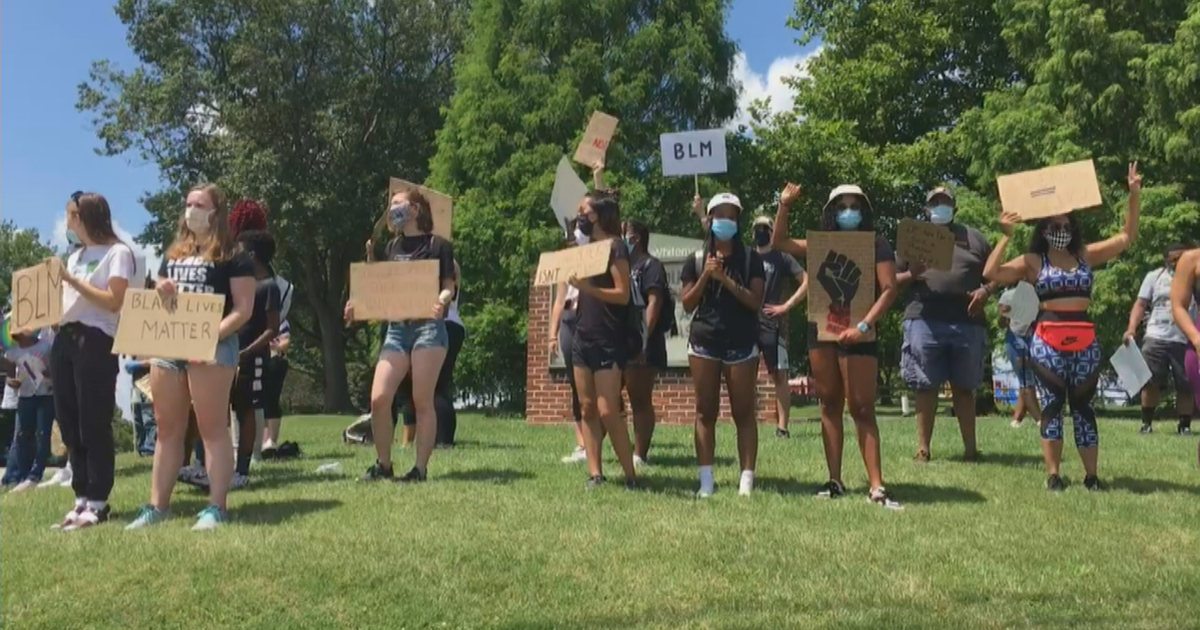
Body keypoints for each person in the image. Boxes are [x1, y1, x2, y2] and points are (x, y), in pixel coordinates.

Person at [984, 162, 1141, 491]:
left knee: (1084, 408)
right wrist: (1005, 236)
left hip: (1085, 343)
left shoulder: (1084, 255)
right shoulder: (1033, 261)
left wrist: (1133, 195)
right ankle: (1054, 474)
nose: (1062, 230)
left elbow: (1126, 237)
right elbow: (991, 273)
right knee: (1052, 406)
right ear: (1043, 229)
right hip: (1047, 342)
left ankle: (1091, 476)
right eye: (1055, 225)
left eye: (1067, 224)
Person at [126, 183, 256, 531]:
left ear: (216, 212)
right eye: (188, 204)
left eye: (200, 204)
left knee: (212, 428)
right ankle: (158, 506)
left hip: (214, 348)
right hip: (171, 347)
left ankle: (217, 506)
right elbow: (160, 296)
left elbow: (243, 309)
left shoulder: (234, 255)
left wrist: (211, 336)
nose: (191, 210)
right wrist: (162, 289)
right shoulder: (174, 254)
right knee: (167, 429)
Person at [772, 183, 902, 509]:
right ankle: (835, 481)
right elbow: (780, 242)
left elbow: (889, 289)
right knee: (829, 404)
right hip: (823, 332)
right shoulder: (821, 243)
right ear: (831, 212)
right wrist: (784, 206)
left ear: (864, 211)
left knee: (861, 407)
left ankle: (876, 486)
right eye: (842, 207)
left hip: (860, 334)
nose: (848, 212)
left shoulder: (877, 244)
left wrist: (863, 326)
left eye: (854, 206)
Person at [349, 188, 456, 483]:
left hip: (428, 328)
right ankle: (383, 465)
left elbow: (449, 285)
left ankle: (419, 469)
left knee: (422, 400)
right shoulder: (392, 247)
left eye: (397, 203)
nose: (392, 209)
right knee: (379, 399)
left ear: (415, 209)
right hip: (397, 329)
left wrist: (441, 301)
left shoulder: (438, 245)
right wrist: (358, 305)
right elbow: (382, 287)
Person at [50, 191, 136, 530]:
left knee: (93, 421)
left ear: (85, 216)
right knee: (69, 421)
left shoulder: (117, 253)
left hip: (96, 339)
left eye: (71, 214)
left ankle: (99, 499)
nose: (67, 222)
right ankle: (81, 496)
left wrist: (72, 280)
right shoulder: (76, 256)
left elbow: (114, 301)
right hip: (66, 338)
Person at [895, 187, 996, 462]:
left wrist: (986, 291)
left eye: (946, 202)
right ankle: (923, 449)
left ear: (955, 208)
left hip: (967, 321)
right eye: (935, 202)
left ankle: (971, 450)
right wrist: (912, 273)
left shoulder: (974, 238)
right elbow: (891, 280)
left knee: (964, 387)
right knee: (925, 384)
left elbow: (997, 273)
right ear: (926, 209)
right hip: (923, 318)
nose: (940, 207)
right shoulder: (914, 238)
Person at [681, 193, 765, 497]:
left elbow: (755, 302)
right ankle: (706, 480)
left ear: (738, 221)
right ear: (710, 219)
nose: (725, 222)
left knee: (744, 413)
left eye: (731, 216)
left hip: (741, 343)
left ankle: (746, 479)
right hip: (705, 342)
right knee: (705, 412)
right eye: (719, 216)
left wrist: (726, 280)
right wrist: (707, 275)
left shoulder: (751, 259)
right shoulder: (696, 259)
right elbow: (687, 303)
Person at [569, 188, 638, 490]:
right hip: (582, 334)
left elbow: (622, 294)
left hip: (609, 336)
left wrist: (587, 287)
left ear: (598, 215)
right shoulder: (586, 247)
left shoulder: (616, 247)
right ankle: (595, 473)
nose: (580, 217)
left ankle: (630, 475)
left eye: (584, 212)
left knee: (608, 408)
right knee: (586, 407)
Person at [230, 230, 282, 487]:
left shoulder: (269, 286)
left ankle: (242, 468)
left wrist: (248, 351)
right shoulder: (238, 285)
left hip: (253, 359)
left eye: (238, 250)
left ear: (251, 255)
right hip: (229, 355)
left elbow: (272, 328)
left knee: (246, 409)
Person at [1125, 245, 1194, 435]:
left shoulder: (1194, 278)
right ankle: (1146, 424)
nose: (1176, 262)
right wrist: (1131, 328)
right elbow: (1140, 304)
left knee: (1186, 384)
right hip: (1156, 336)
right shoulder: (1154, 277)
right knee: (1150, 382)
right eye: (1173, 258)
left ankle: (1185, 426)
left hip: (1184, 338)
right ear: (1166, 260)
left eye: (1180, 258)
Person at [750, 215, 808, 438]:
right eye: (757, 228)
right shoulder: (747, 256)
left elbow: (806, 281)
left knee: (780, 376)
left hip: (774, 324)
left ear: (772, 232)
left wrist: (786, 306)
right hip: (748, 322)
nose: (760, 232)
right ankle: (746, 425)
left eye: (765, 228)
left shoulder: (782, 257)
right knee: (744, 374)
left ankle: (782, 428)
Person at [399, 260, 466, 448]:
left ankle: (443, 440)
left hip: (444, 324)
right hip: (435, 326)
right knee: (423, 385)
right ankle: (421, 439)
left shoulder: (447, 262)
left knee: (437, 385)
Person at [623, 220, 670, 466]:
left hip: (644, 342)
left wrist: (643, 338)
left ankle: (639, 454)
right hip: (619, 341)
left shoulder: (651, 266)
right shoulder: (622, 266)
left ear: (637, 238)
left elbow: (654, 301)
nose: (622, 239)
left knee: (639, 399)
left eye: (625, 234)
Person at [550, 220, 588, 463]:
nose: (572, 242)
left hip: (588, 319)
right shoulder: (565, 263)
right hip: (568, 320)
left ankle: (596, 438)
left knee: (590, 382)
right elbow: (559, 299)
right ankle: (581, 443)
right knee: (574, 382)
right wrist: (552, 334)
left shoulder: (594, 260)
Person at [2, 327, 56, 493]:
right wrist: (12, 381)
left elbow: (54, 370)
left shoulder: (45, 347)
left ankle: (35, 474)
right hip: (25, 396)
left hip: (45, 395)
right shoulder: (13, 353)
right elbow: (10, 374)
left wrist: (48, 374)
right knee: (21, 435)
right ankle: (18, 475)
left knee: (42, 434)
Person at [998, 287, 1042, 428]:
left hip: (1033, 337)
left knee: (1027, 378)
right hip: (1015, 339)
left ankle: (1017, 419)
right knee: (1026, 379)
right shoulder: (1007, 296)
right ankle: (1040, 420)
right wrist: (1004, 314)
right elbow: (1001, 324)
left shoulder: (1038, 294)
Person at [124, 355, 156, 457]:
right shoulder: (134, 353)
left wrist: (140, 364)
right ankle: (141, 448)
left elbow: (155, 361)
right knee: (138, 418)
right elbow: (128, 367)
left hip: (148, 383)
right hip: (136, 385)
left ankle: (150, 448)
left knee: (149, 418)